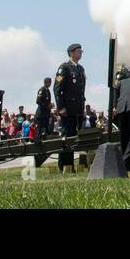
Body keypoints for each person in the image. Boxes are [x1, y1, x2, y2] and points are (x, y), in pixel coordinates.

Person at [53, 43, 87, 171]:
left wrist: (82, 109)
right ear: (71, 53)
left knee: (73, 138)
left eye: (81, 51)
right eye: (78, 51)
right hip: (67, 109)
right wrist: (61, 107)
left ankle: (70, 165)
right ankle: (64, 166)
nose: (80, 53)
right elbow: (57, 89)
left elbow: (81, 92)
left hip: (77, 109)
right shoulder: (64, 68)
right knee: (67, 137)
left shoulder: (80, 69)